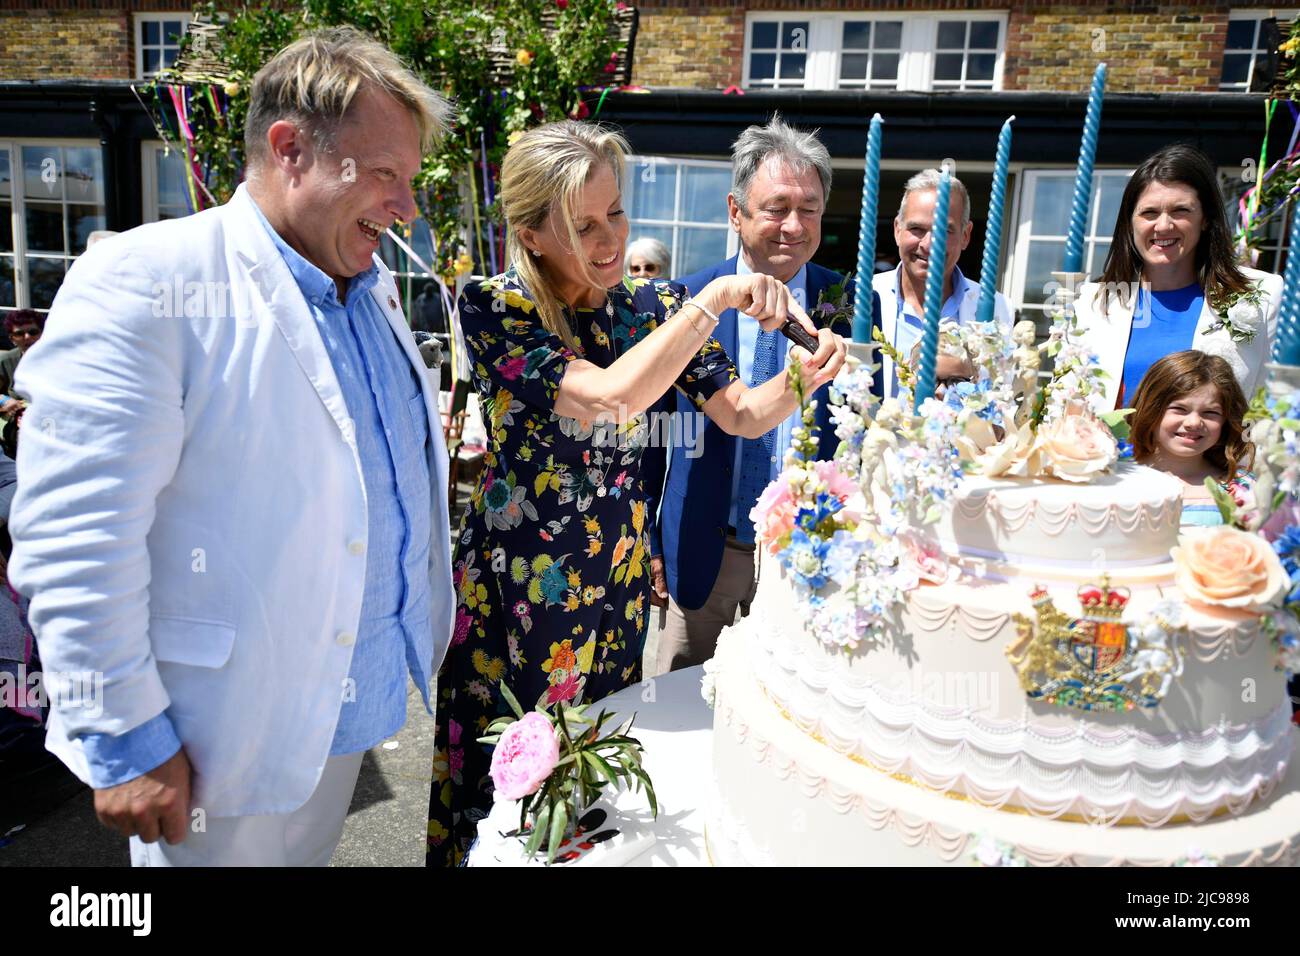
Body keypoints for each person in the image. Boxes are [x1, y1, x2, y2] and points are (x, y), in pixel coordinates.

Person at [9, 27, 457, 867]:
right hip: (217, 744)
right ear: (289, 148)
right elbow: (73, 540)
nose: (408, 208)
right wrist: (123, 737)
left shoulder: (370, 287)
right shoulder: (148, 280)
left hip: (338, 720)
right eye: (387, 175)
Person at [426, 120, 845, 866]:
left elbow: (742, 414)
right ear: (531, 235)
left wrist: (806, 378)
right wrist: (712, 298)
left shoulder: (648, 307)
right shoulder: (495, 306)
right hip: (519, 600)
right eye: (581, 225)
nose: (610, 237)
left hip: (612, 592)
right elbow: (614, 397)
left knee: (593, 794)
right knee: (504, 794)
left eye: (615, 212)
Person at [642, 115, 871, 677]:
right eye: (776, 208)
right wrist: (650, 540)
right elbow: (650, 434)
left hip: (809, 559)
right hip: (704, 551)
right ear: (736, 212)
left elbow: (869, 430)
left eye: (809, 208)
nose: (794, 225)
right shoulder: (685, 299)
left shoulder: (850, 303)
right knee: (683, 707)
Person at [1076, 144, 1283, 409]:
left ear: (1205, 219)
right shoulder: (1093, 301)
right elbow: (1071, 405)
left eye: (1180, 211)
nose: (1163, 226)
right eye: (1149, 213)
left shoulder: (1262, 295)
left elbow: (1279, 402)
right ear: (1130, 222)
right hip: (1112, 451)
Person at [874, 169, 1014, 397]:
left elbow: (1000, 400)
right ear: (897, 230)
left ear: (966, 235)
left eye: (945, 231)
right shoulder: (863, 296)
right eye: (916, 229)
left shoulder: (997, 308)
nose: (929, 245)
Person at [1129, 350, 1254, 527]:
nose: (1194, 422)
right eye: (1179, 409)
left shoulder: (1242, 488)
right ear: (1151, 409)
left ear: (1226, 420)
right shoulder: (1117, 477)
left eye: (1210, 412)